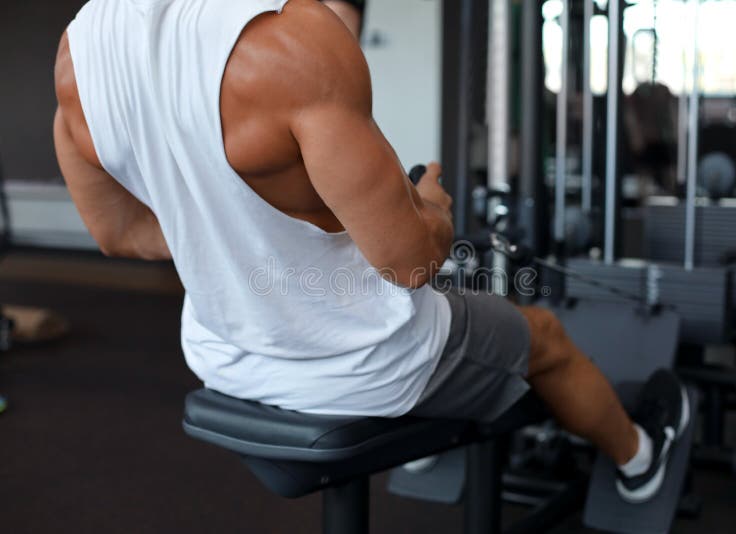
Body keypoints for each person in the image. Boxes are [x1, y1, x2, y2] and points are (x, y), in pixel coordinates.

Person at [53, 0, 689, 503]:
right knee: (545, 336)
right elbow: (412, 266)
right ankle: (639, 458)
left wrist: (236, 235)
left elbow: (121, 234)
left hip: (224, 358)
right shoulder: (293, 42)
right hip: (364, 365)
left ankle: (424, 445)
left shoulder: (79, 52)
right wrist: (431, 208)